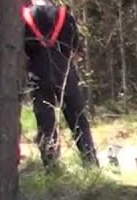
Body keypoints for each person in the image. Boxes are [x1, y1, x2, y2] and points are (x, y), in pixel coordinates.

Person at [21, 0, 98, 167]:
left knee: (45, 122)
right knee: (78, 119)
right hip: (64, 71)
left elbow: (21, 51)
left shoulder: (24, 16)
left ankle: (51, 166)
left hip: (37, 73)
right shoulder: (64, 14)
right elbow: (77, 51)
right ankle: (91, 162)